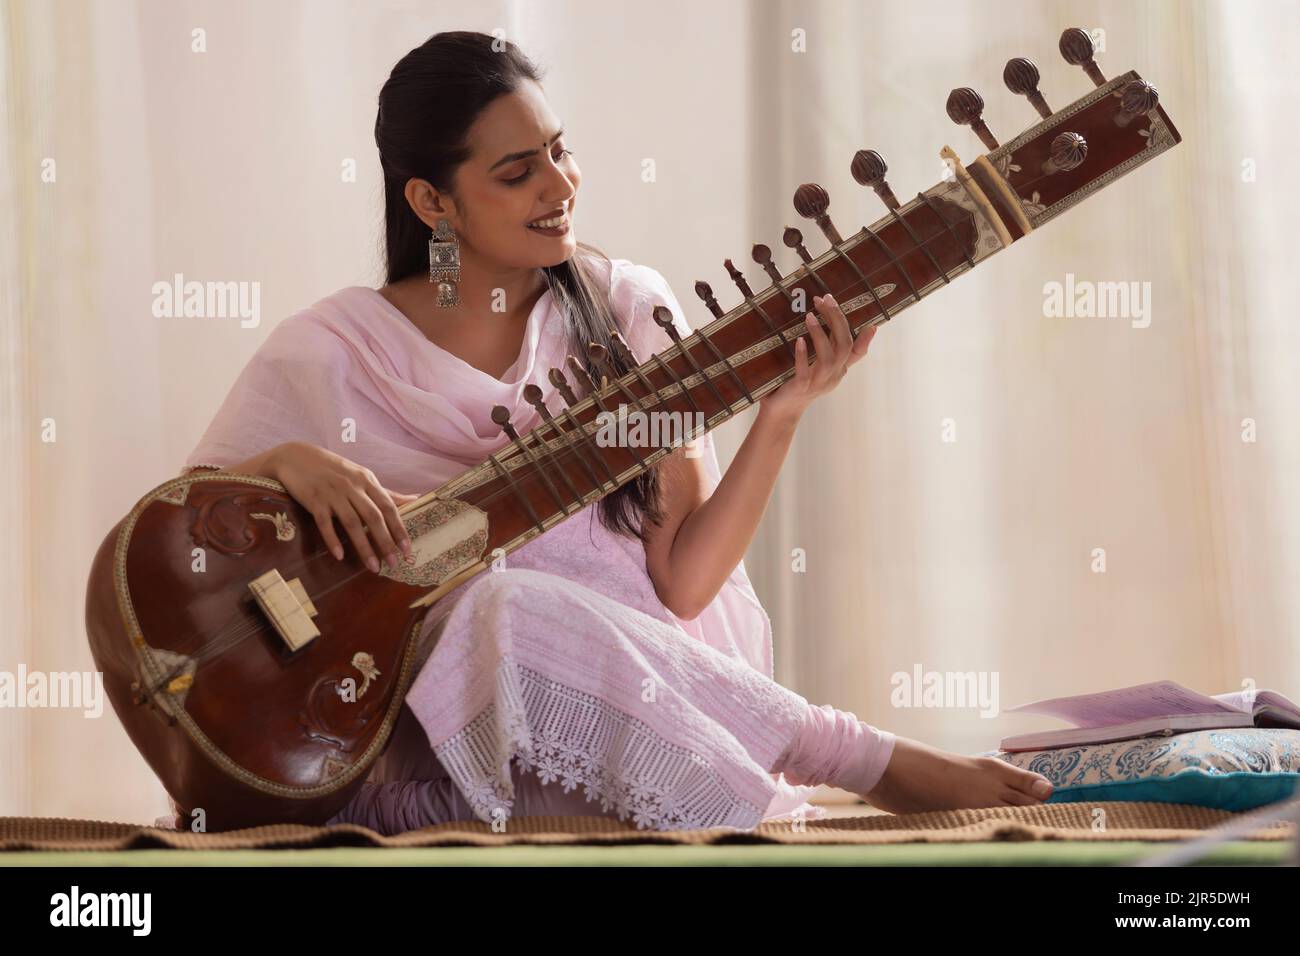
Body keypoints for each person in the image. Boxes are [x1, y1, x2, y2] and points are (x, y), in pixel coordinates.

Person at [181, 31, 1052, 834]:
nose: (560, 187)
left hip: (633, 732)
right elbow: (176, 544)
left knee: (509, 602)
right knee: (499, 606)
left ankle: (829, 761)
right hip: (427, 763)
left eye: (561, 153)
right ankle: (857, 758)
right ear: (430, 200)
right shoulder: (333, 353)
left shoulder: (629, 311)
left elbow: (681, 583)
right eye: (518, 172)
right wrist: (285, 463)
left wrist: (779, 415)